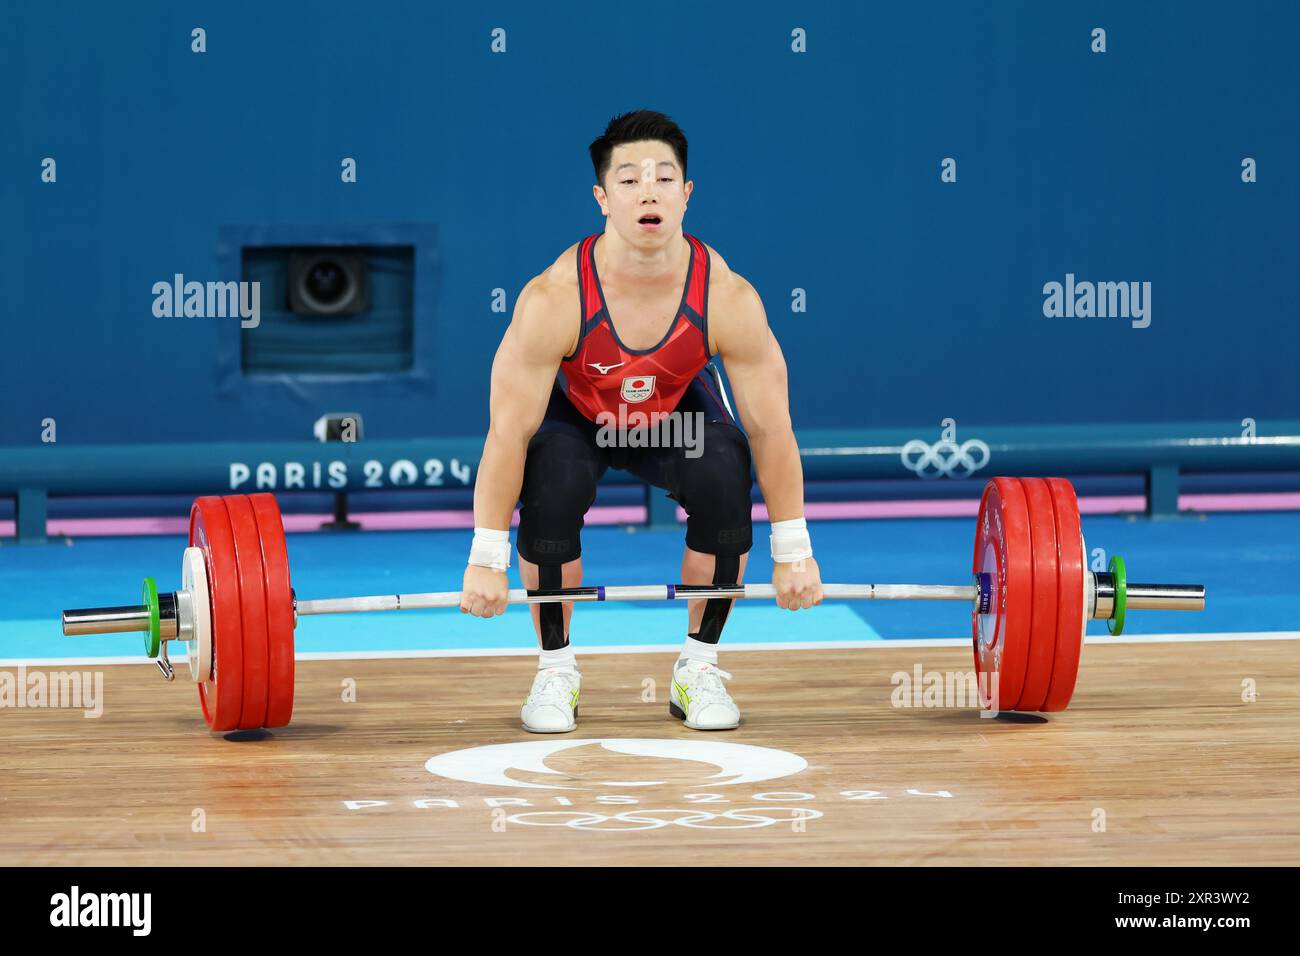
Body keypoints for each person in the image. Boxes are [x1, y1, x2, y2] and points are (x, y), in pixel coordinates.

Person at [460, 110, 823, 733]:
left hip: (670, 420)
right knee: (553, 475)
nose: (647, 191)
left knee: (723, 463)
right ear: (602, 198)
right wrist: (485, 558)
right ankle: (555, 671)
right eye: (628, 180)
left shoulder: (728, 298)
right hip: (580, 419)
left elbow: (771, 429)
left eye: (663, 178)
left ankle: (698, 668)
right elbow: (507, 433)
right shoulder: (552, 299)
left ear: (687, 194)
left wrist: (794, 550)